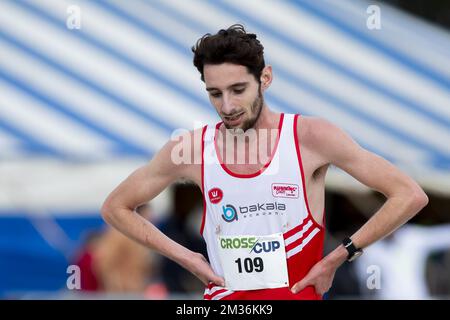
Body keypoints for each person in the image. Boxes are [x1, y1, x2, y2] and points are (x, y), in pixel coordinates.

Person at [101, 24, 428, 300]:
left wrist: (341, 255)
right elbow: (116, 207)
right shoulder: (192, 148)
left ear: (266, 78)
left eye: (238, 89)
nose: (227, 105)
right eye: (215, 93)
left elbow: (408, 194)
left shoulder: (310, 137)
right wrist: (188, 258)